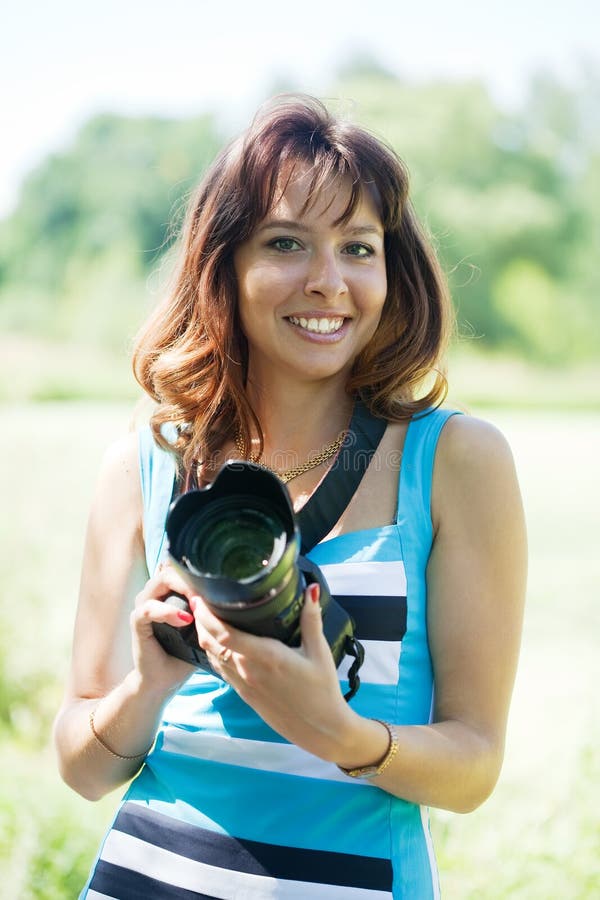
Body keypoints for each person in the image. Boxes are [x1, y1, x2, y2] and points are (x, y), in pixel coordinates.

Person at [54, 94, 527, 899]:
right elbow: (82, 767)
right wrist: (150, 686)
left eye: (358, 247)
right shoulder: (144, 464)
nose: (327, 282)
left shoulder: (454, 461)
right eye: (286, 243)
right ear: (226, 265)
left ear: (390, 269)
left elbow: (473, 767)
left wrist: (338, 732)